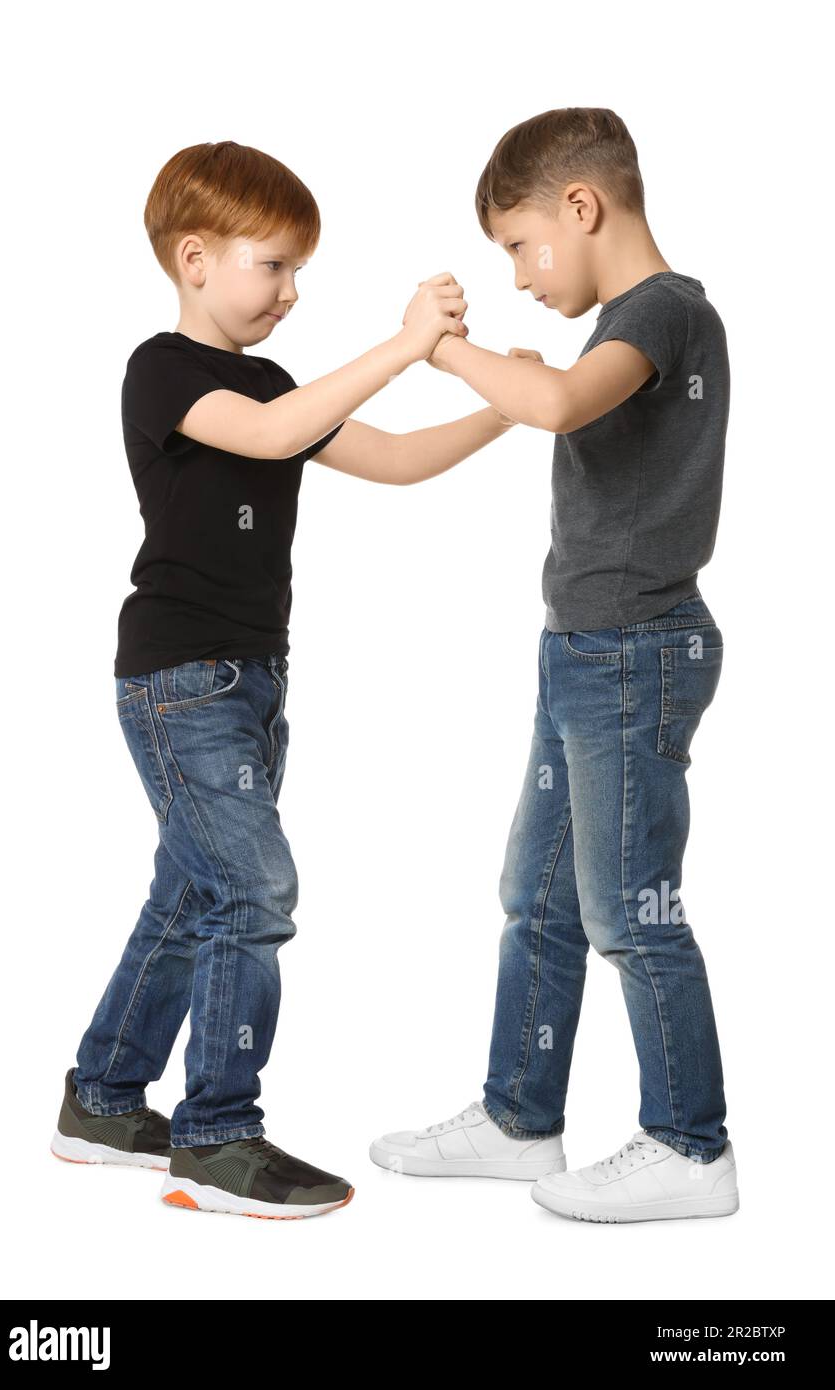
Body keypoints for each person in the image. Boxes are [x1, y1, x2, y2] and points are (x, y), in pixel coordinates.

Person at [51, 139, 513, 1221]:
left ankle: (104, 1099)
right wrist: (403, 344)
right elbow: (266, 435)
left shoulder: (274, 382)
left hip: (254, 681)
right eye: (274, 266)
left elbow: (393, 458)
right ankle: (217, 1135)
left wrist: (507, 408)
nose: (292, 292)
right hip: (180, 679)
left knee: (194, 892)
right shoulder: (164, 372)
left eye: (301, 270)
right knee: (252, 891)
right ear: (195, 259)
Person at [370, 107, 739, 1223]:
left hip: (635, 652)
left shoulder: (665, 311)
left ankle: (690, 1145)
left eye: (521, 247)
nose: (522, 276)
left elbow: (558, 403)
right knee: (537, 899)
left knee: (632, 912)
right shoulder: (625, 324)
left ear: (582, 207)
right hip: (581, 651)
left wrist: (439, 346)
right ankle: (520, 1118)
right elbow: (557, 397)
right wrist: (503, 371)